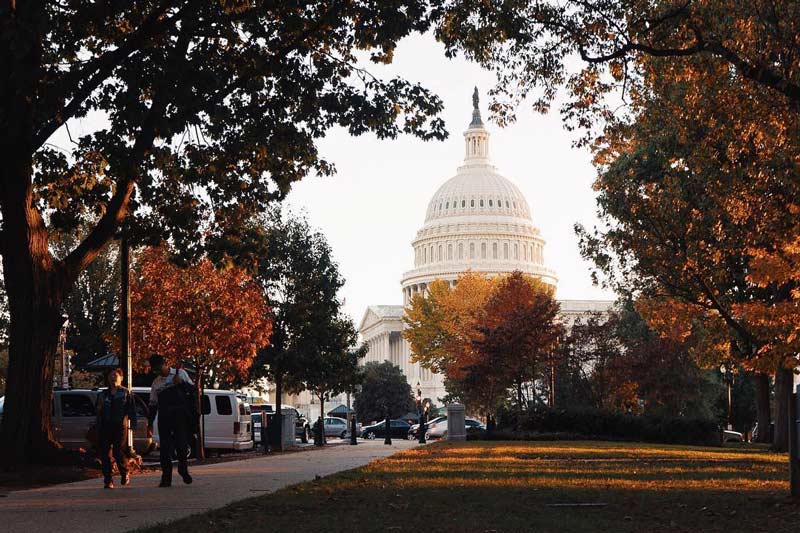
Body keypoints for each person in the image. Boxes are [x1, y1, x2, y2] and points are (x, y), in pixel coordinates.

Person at [147, 354, 196, 487]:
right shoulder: (156, 383)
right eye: (155, 370)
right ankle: (166, 477)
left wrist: (182, 383)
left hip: (179, 415)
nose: (158, 372)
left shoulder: (180, 374)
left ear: (165, 364)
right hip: (164, 417)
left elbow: (193, 392)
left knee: (181, 445)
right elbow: (153, 404)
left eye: (159, 368)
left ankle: (183, 470)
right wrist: (150, 423)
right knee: (165, 449)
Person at [96, 367, 137, 489]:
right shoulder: (103, 394)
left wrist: (133, 423)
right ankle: (108, 479)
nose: (113, 377)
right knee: (105, 454)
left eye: (115, 375)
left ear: (121, 378)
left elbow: (131, 410)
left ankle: (124, 472)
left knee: (118, 451)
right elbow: (98, 411)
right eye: (111, 375)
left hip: (120, 426)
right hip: (105, 426)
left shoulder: (125, 393)